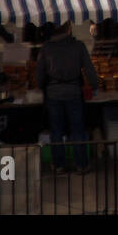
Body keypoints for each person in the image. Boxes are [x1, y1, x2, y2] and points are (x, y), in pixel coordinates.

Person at [35, 22, 99, 174]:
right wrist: (94, 85)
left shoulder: (46, 48)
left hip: (53, 94)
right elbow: (89, 69)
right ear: (69, 29)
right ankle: (81, 165)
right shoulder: (78, 46)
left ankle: (58, 165)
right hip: (73, 92)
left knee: (56, 131)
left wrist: (43, 86)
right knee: (77, 129)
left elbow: (39, 75)